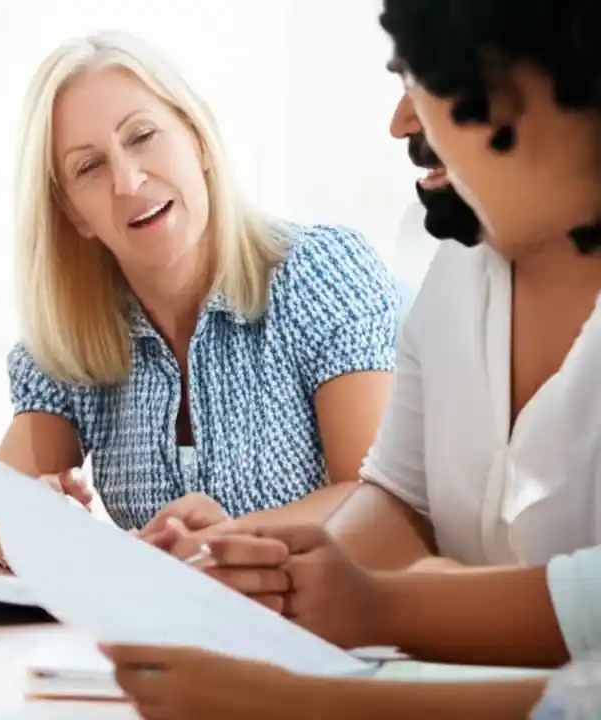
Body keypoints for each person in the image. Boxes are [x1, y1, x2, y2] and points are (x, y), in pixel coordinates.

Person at [106, 0, 601, 716]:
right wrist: (276, 576)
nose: (403, 122)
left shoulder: (323, 269)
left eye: (428, 80)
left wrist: (380, 612)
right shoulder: (456, 272)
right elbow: (401, 499)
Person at [0, 30, 401, 566]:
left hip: (324, 635)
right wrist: (31, 527)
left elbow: (378, 506)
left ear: (197, 137)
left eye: (142, 135)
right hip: (162, 640)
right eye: (89, 167)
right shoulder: (78, 335)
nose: (127, 181)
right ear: (73, 213)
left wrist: (220, 545)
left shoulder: (321, 273)